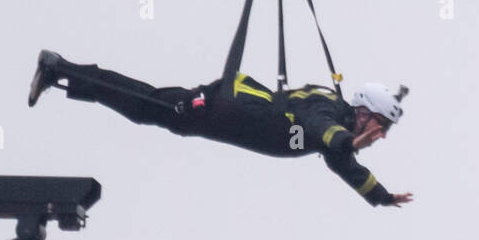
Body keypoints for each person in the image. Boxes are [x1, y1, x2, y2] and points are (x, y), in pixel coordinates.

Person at [28, 50, 413, 207]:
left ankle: (65, 76)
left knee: (145, 109)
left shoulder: (338, 139)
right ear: (363, 111)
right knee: (146, 104)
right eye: (378, 126)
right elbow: (319, 126)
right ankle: (59, 68)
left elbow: (347, 165)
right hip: (222, 106)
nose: (378, 137)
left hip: (218, 119)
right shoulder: (328, 106)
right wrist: (347, 138)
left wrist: (381, 197)